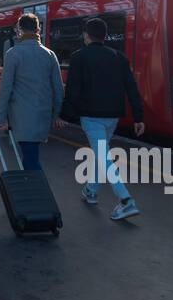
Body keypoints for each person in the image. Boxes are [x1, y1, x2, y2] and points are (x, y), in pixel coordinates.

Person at [59, 16, 145, 221]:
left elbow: (73, 90)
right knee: (102, 153)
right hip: (113, 115)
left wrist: (64, 115)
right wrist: (138, 117)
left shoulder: (79, 57)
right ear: (105, 36)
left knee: (104, 157)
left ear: (86, 36)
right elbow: (131, 88)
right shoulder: (119, 56)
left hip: (91, 116)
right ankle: (90, 190)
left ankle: (126, 200)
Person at [0, 14, 63, 173]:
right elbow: (58, 89)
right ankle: (35, 188)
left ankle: (38, 193)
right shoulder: (50, 54)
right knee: (31, 155)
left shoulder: (13, 54)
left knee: (30, 161)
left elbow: (5, 89)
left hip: (22, 117)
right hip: (43, 115)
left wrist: (1, 118)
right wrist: (56, 114)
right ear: (38, 29)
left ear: (20, 30)